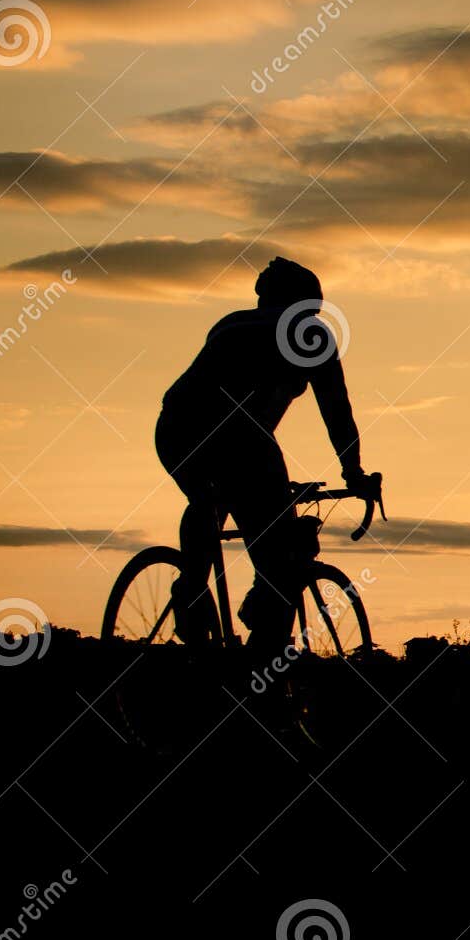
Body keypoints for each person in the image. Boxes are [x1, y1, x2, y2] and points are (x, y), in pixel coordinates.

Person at [155, 257, 374, 658]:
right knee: (279, 561)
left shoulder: (230, 323)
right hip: (242, 441)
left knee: (206, 499)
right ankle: (261, 667)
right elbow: (337, 410)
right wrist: (353, 471)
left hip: (175, 429)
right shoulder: (313, 335)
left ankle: (191, 590)